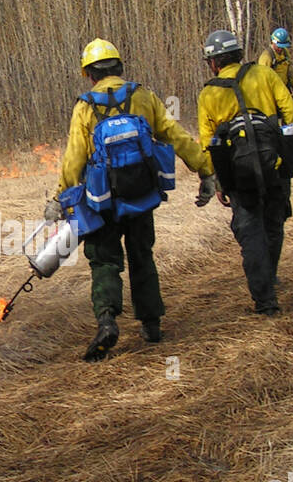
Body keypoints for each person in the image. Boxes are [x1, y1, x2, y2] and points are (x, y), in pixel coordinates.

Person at [44, 38, 219, 361]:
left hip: (102, 201)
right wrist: (205, 170)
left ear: (89, 74)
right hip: (140, 195)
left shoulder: (85, 106)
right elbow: (175, 134)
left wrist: (59, 198)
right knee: (142, 257)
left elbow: (74, 158)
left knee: (105, 261)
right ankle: (151, 324)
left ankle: (108, 320)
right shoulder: (142, 96)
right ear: (119, 67)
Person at [196, 30, 293, 316]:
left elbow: (208, 143)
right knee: (274, 222)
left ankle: (265, 298)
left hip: (238, 172)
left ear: (213, 62)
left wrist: (216, 181)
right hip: (276, 164)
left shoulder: (209, 93)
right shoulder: (264, 74)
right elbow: (290, 112)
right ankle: (269, 277)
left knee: (250, 231)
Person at [257, 27, 293, 99]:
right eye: (279, 46)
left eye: (282, 46)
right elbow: (262, 80)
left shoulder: (285, 53)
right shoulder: (266, 57)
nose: (280, 49)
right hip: (272, 94)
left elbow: (290, 71)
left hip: (285, 90)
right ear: (273, 42)